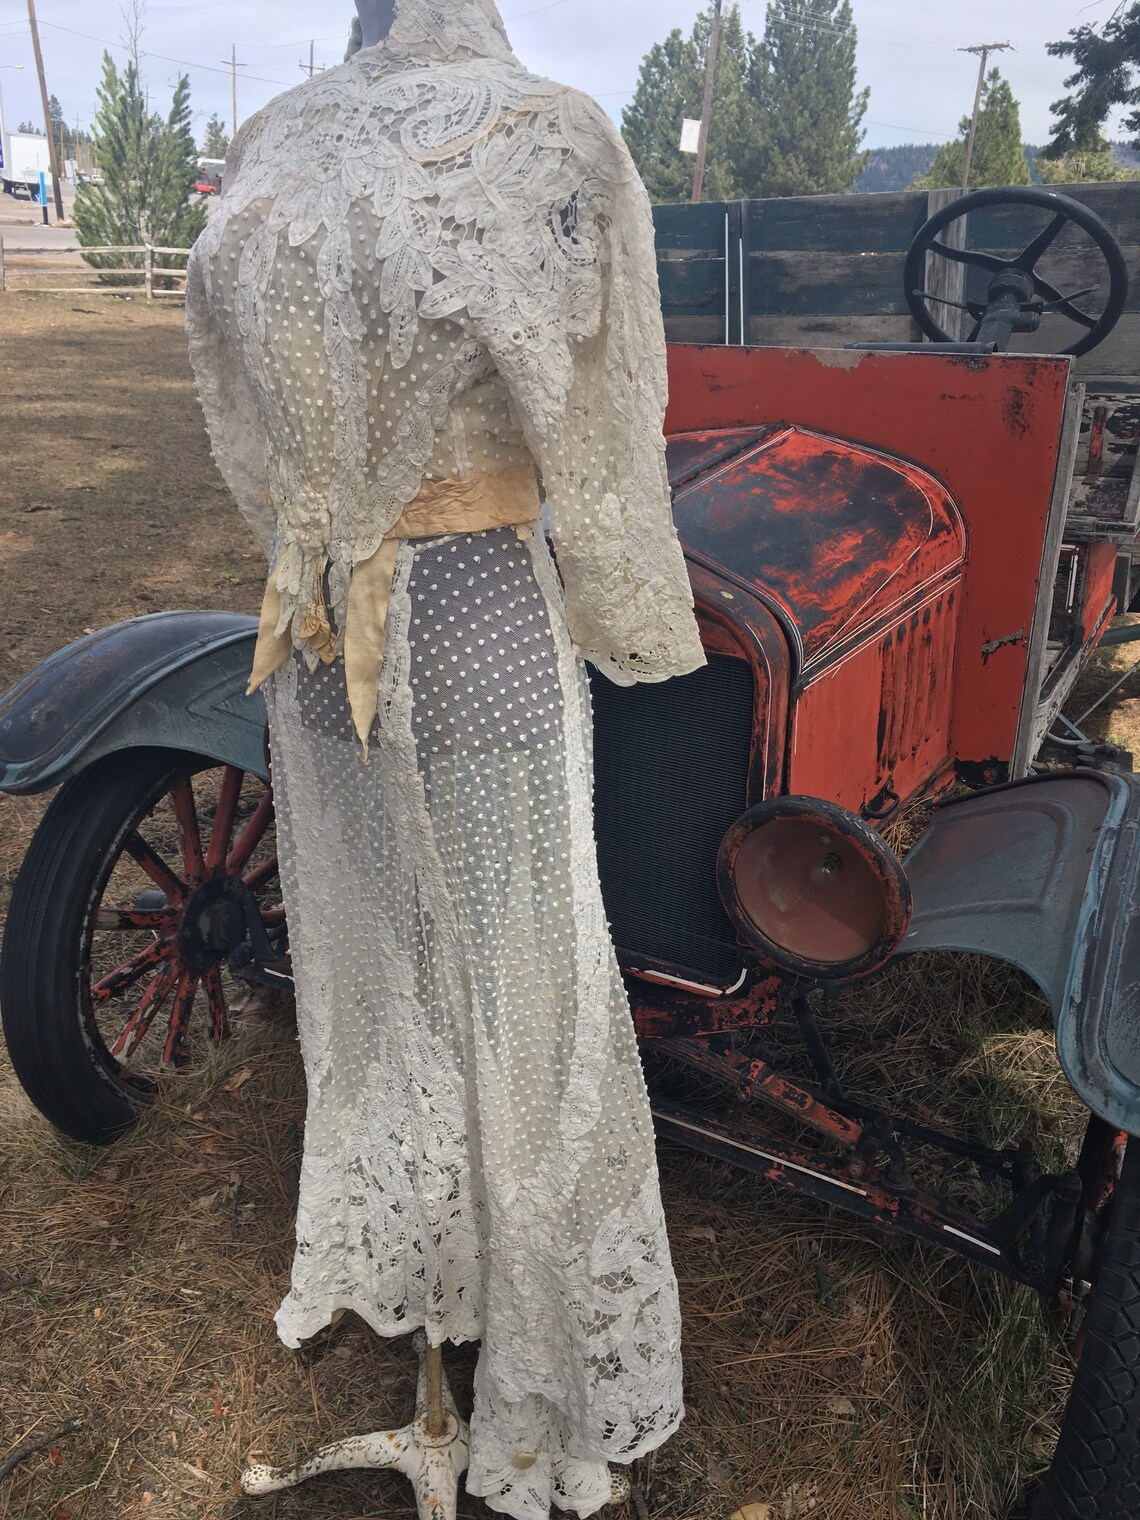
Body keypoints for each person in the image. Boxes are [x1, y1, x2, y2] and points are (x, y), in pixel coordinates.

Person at [185, 3, 706, 1515]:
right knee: (442, 990)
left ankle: (535, 1387)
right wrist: (627, 607)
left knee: (470, 988)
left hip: (336, 603)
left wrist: (313, 515)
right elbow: (604, 426)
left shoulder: (290, 144)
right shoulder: (538, 130)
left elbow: (232, 397)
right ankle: (465, 1359)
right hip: (443, 602)